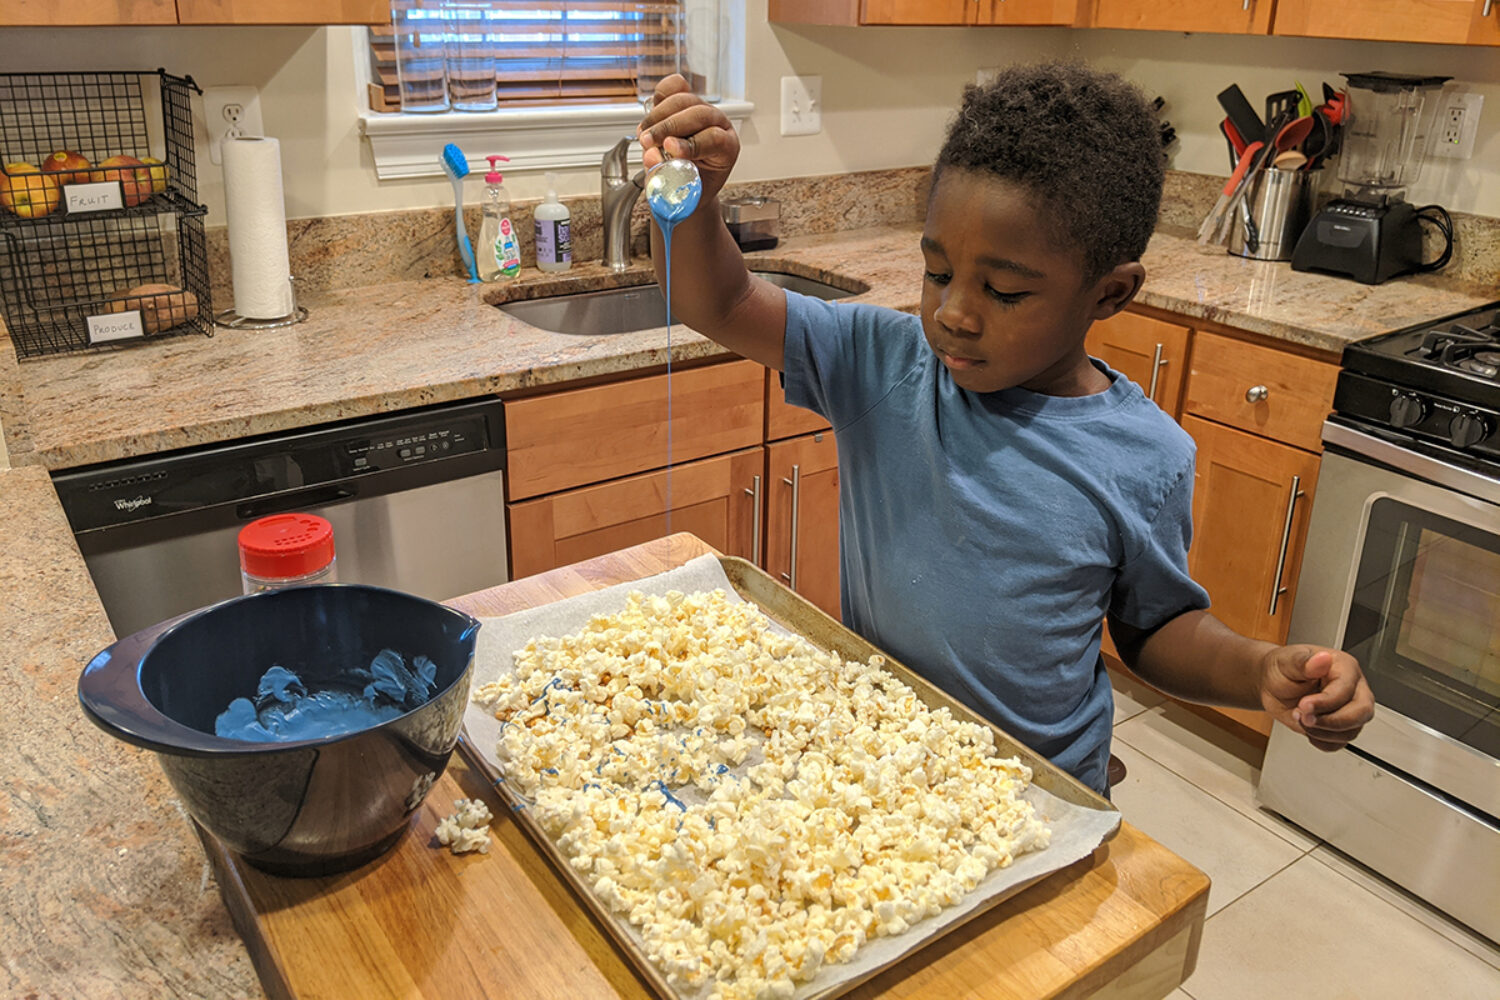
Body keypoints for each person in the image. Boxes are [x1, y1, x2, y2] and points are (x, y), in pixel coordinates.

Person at [636, 62, 1375, 796]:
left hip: (1037, 792)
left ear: (1109, 293)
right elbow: (723, 302)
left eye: (1005, 290)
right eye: (937, 273)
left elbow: (1156, 630)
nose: (954, 312)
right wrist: (696, 202)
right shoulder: (884, 364)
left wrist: (1255, 671)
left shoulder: (1145, 456)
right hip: (882, 762)